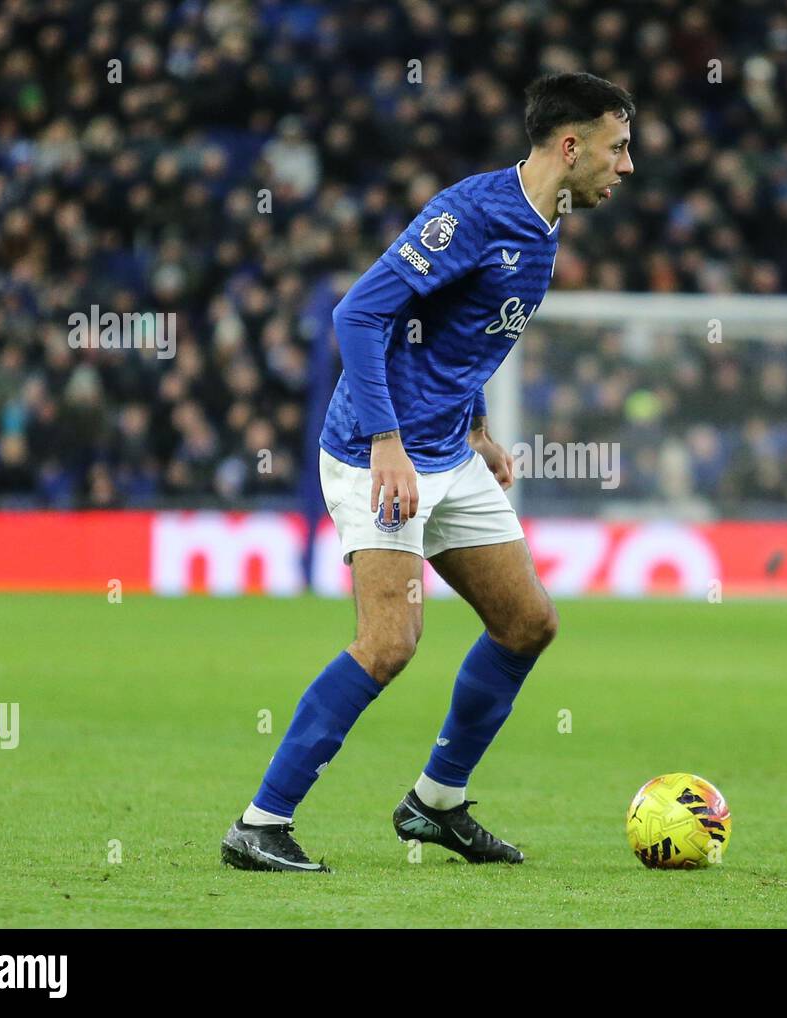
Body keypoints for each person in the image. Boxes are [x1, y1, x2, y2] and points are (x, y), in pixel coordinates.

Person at [221, 72, 635, 870]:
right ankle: (260, 823)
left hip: (446, 450)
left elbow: (461, 336)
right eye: (617, 149)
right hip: (377, 455)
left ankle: (435, 803)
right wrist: (386, 442)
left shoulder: (547, 222)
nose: (626, 167)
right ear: (571, 145)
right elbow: (361, 312)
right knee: (389, 642)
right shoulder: (468, 214)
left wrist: (476, 427)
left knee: (528, 624)